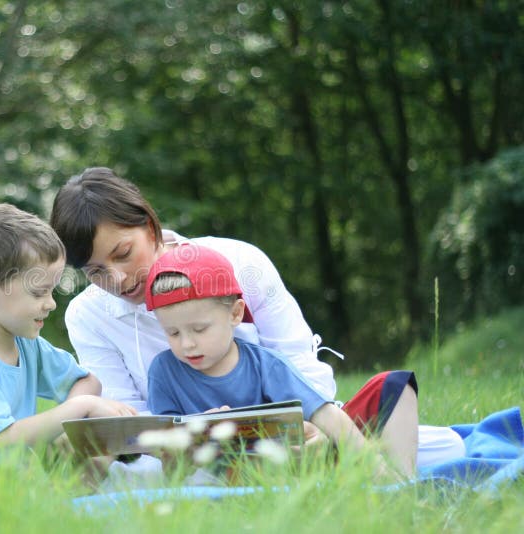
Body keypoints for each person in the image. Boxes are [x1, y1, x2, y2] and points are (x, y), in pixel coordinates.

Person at [49, 166, 466, 467]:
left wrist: (315, 430)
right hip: (182, 457)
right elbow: (130, 419)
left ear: (150, 226)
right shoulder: (89, 315)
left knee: (447, 450)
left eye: (123, 253)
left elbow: (302, 368)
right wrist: (193, 437)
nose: (118, 279)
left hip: (294, 432)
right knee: (113, 472)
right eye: (96, 271)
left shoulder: (238, 263)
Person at [145, 243, 418, 477]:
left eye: (200, 329)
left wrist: (375, 466)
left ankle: (398, 484)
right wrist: (200, 432)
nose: (187, 343)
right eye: (173, 333)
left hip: (304, 459)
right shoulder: (164, 371)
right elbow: (170, 463)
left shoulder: (263, 364)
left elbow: (325, 414)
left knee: (393, 384)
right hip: (239, 474)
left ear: (235, 314)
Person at [0, 203, 136, 486]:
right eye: (38, 292)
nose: (51, 303)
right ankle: (68, 502)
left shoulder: (27, 345)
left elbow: (87, 382)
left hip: (10, 483)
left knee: (98, 443)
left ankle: (74, 501)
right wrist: (78, 408)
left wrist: (70, 429)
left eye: (51, 291)